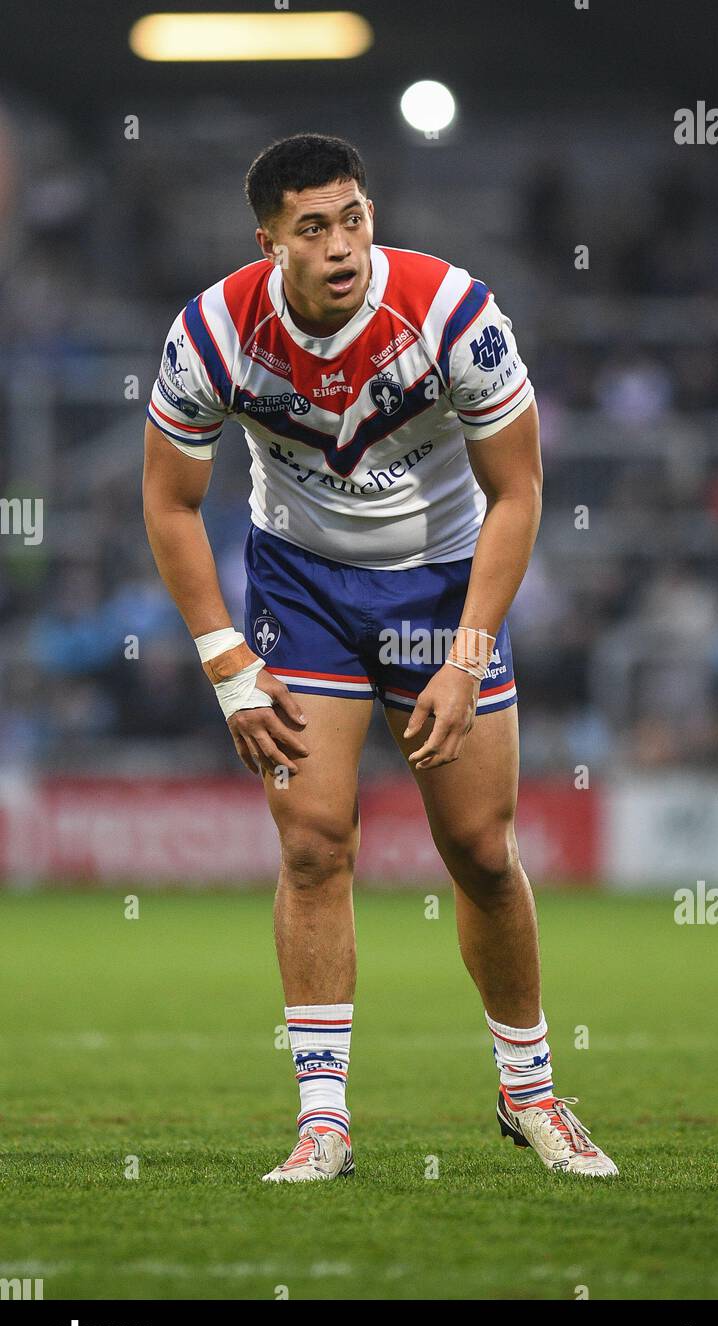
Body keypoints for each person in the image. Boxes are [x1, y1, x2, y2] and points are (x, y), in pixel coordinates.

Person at [142, 132, 618, 1182]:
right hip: (302, 587)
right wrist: (225, 663)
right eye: (313, 227)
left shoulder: (452, 312)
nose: (342, 243)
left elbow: (519, 492)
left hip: (445, 583)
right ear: (268, 239)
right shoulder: (213, 333)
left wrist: (467, 652)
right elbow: (170, 504)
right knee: (312, 842)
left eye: (353, 216)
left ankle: (529, 1092)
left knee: (481, 851)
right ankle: (323, 1122)